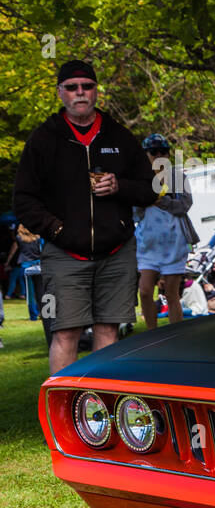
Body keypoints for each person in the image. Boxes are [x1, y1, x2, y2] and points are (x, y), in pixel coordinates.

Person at [13, 60, 155, 374]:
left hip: (116, 252)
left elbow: (150, 189)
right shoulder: (44, 139)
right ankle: (62, 415)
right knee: (65, 332)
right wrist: (57, 229)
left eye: (87, 86)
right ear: (60, 92)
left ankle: (103, 412)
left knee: (109, 329)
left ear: (96, 90)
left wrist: (120, 186)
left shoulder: (119, 136)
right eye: (72, 87)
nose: (80, 93)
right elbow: (23, 199)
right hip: (65, 252)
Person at [135, 134, 195, 328]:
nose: (159, 155)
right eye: (153, 152)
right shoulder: (139, 179)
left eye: (164, 152)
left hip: (174, 243)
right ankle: (152, 333)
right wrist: (144, 199)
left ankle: (176, 334)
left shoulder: (178, 176)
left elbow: (185, 204)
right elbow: (134, 213)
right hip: (148, 244)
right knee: (144, 290)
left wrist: (162, 201)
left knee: (171, 293)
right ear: (145, 154)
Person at [6, 224, 41, 301]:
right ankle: (39, 305)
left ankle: (33, 310)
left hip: (25, 264)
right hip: (37, 263)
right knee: (39, 287)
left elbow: (12, 251)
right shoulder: (37, 238)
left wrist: (7, 262)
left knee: (27, 287)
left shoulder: (19, 238)